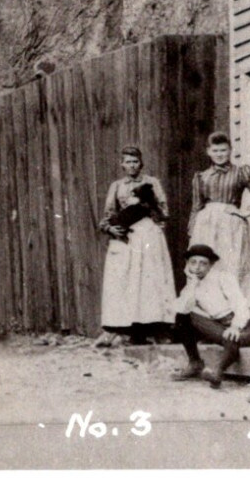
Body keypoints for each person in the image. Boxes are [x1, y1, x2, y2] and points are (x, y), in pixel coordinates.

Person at [187, 132, 250, 323]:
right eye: (215, 150)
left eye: (223, 150)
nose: (219, 154)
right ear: (208, 152)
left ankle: (238, 319)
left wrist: (246, 212)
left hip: (231, 227)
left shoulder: (241, 172)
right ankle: (208, 321)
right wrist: (192, 233)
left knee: (231, 269)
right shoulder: (201, 177)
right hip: (206, 226)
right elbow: (196, 207)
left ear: (230, 151)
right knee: (205, 270)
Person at [97, 146, 175, 348]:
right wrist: (112, 229)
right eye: (128, 161)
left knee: (151, 282)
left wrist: (146, 205)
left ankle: (157, 328)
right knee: (128, 283)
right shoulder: (117, 186)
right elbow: (107, 216)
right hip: (127, 239)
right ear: (122, 164)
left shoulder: (152, 183)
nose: (132, 165)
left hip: (148, 236)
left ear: (141, 163)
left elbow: (164, 212)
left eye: (135, 161)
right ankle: (132, 331)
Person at [171, 244, 250, 388]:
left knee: (231, 338)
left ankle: (217, 372)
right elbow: (182, 308)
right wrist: (192, 284)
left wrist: (235, 327)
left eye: (203, 263)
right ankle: (195, 363)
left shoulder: (223, 277)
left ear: (211, 265)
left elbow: (240, 304)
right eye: (193, 262)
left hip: (245, 325)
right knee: (183, 317)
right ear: (187, 264)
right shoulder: (192, 284)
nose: (197, 267)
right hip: (219, 325)